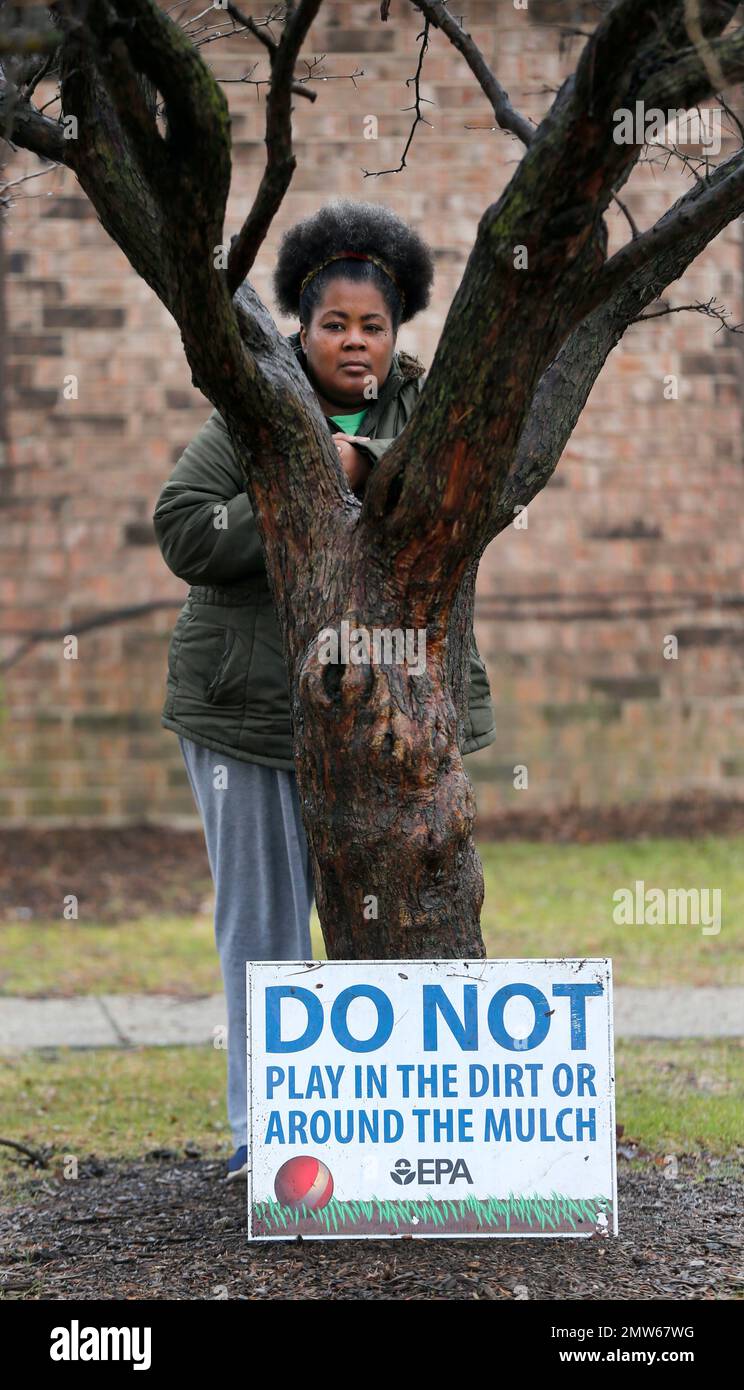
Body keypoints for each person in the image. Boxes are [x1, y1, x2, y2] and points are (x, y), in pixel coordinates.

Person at [152, 200, 496, 1182]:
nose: (354, 341)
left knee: (393, 910)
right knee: (265, 925)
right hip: (252, 713)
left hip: (385, 720)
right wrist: (305, 486)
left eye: (372, 325)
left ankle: (389, 1137)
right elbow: (185, 529)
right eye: (334, 322)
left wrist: (364, 463)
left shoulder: (427, 411)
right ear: (301, 327)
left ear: (397, 332)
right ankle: (267, 1138)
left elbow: (468, 492)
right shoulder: (256, 411)